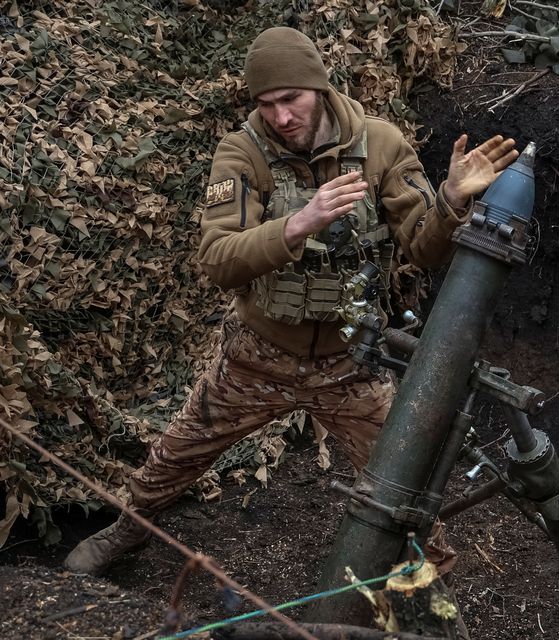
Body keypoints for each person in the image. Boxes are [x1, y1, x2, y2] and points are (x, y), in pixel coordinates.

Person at [65, 26, 518, 575]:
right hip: (259, 352)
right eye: (266, 104)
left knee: (403, 487)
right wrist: (298, 224)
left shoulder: (381, 145)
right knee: (174, 456)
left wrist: (448, 203)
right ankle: (129, 531)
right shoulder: (242, 153)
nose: (280, 116)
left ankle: (424, 592)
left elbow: (422, 252)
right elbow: (217, 258)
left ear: (320, 89)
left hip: (350, 361)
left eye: (291, 99)